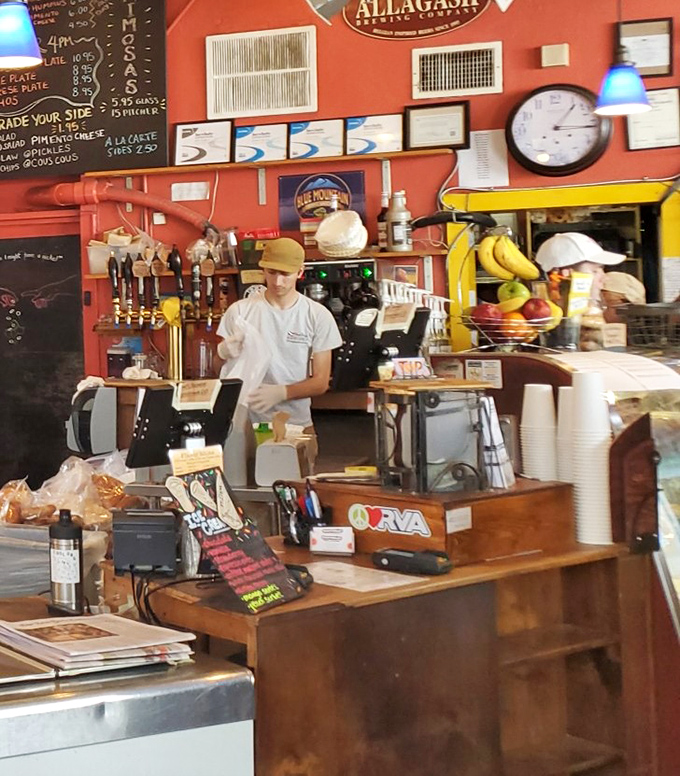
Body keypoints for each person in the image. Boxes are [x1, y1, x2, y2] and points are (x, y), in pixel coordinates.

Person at [217, 237, 342, 437]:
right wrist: (222, 352)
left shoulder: (317, 315)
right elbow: (216, 370)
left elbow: (320, 382)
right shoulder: (240, 311)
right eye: (271, 273)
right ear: (263, 270)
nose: (277, 282)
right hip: (244, 425)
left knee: (296, 467)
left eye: (285, 274)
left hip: (296, 425)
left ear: (300, 272)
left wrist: (282, 392)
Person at [535, 233, 627, 351]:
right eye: (595, 271)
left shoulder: (596, 311)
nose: (605, 278)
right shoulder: (547, 327)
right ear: (564, 276)